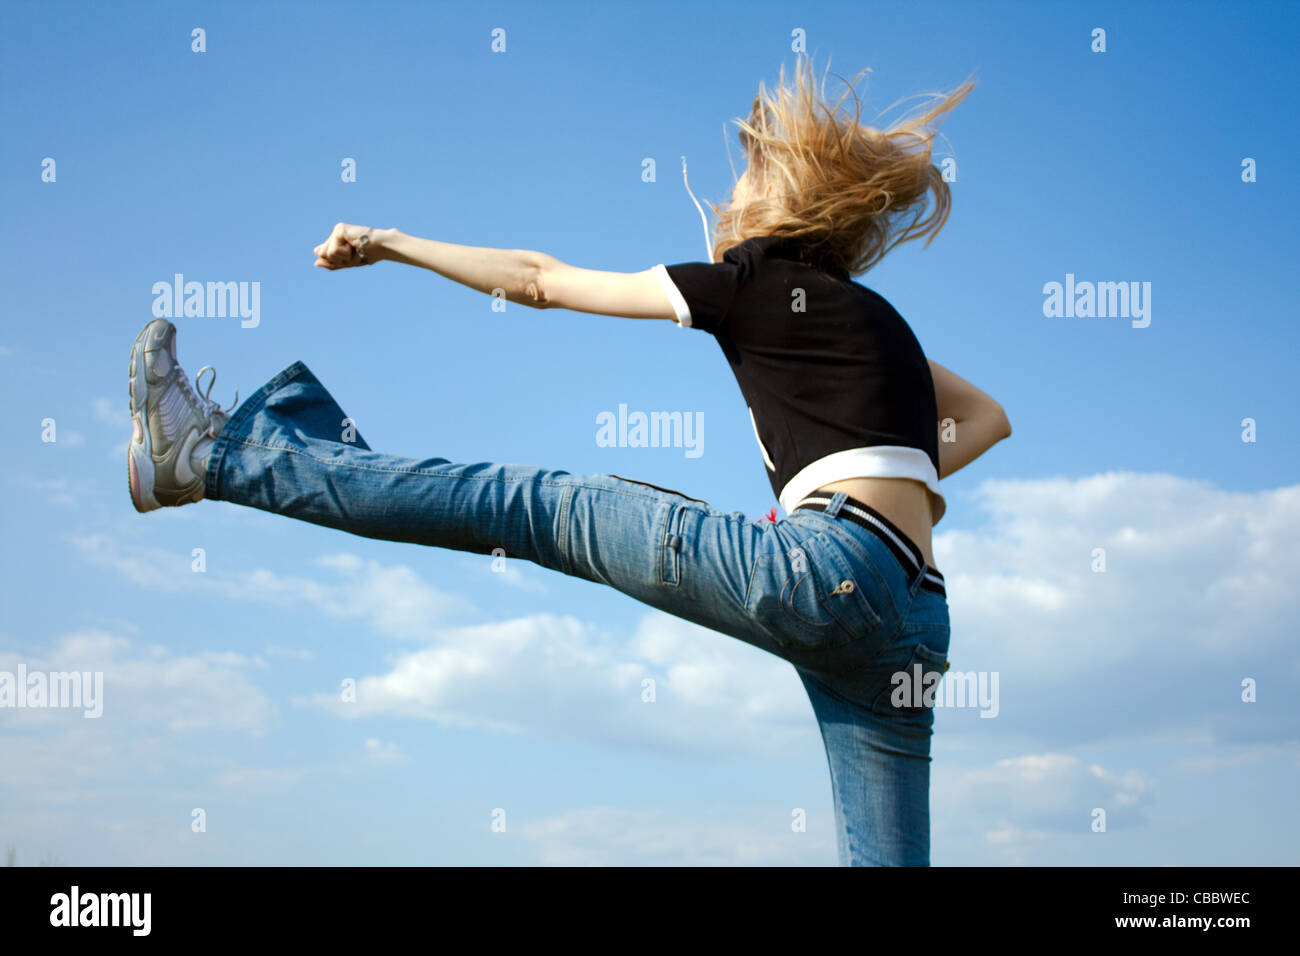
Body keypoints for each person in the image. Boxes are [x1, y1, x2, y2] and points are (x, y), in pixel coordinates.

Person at [126, 57, 1009, 866]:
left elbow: (539, 280)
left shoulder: (744, 282)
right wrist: (880, 489)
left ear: (773, 204)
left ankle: (212, 458)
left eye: (744, 177)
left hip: (828, 571)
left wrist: (393, 241)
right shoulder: (882, 324)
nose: (728, 197)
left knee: (528, 505)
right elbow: (984, 418)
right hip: (915, 620)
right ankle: (235, 453)